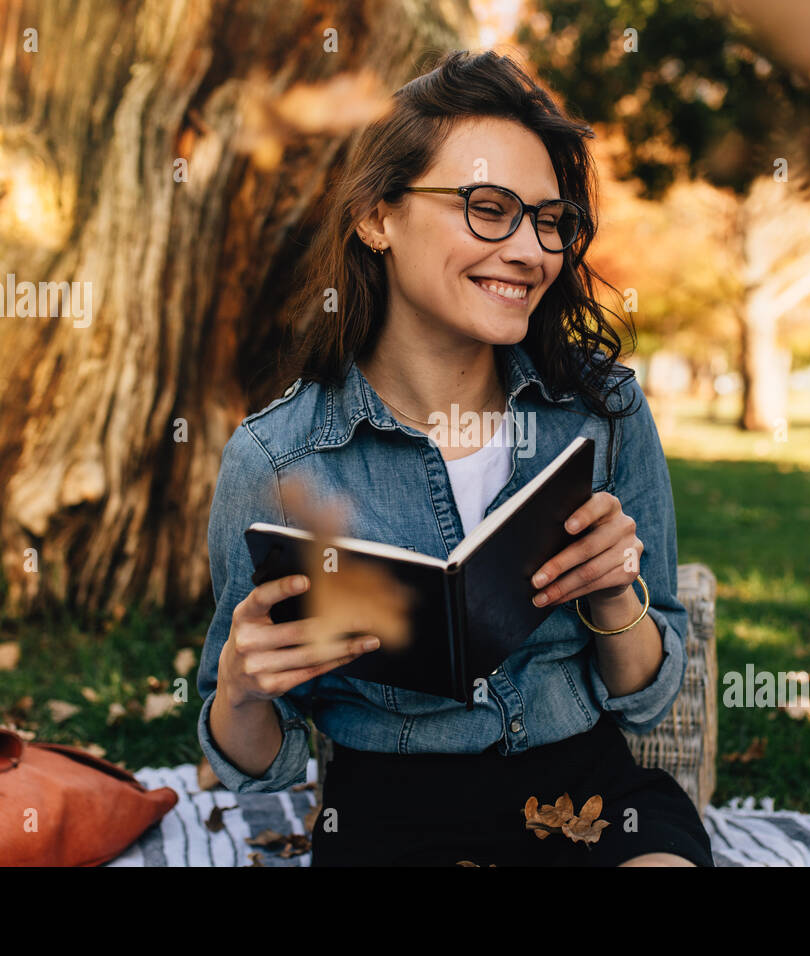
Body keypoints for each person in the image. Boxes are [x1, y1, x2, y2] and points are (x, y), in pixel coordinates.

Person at [196, 49, 714, 868]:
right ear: (377, 217)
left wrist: (616, 594)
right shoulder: (276, 457)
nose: (532, 252)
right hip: (392, 815)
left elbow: (645, 695)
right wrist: (242, 686)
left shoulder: (602, 412)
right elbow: (255, 763)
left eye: (550, 221)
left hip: (586, 791)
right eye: (487, 208)